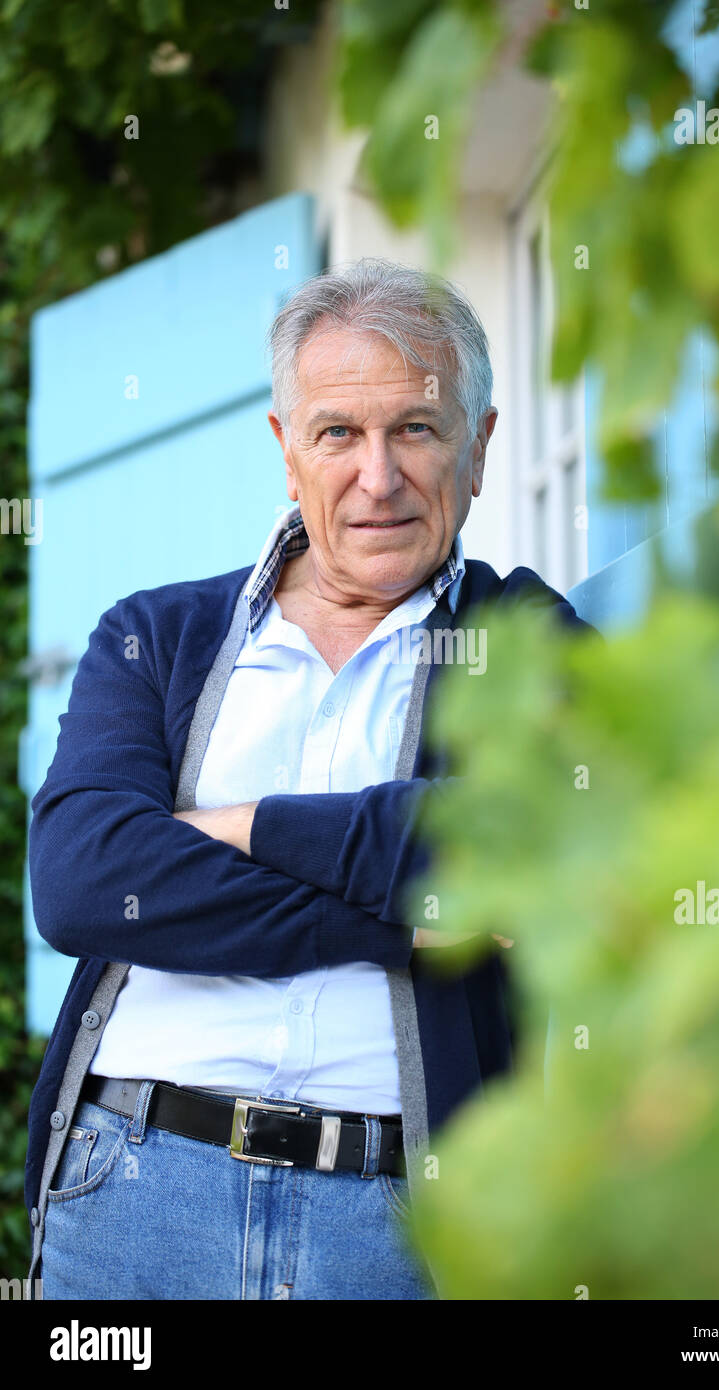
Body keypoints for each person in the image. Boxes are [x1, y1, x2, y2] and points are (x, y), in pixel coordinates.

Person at [25, 257, 592, 1300]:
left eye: (415, 429)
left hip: (396, 1225)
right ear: (288, 452)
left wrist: (227, 826)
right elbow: (81, 880)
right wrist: (391, 921)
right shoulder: (159, 635)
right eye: (338, 433)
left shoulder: (527, 642)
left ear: (479, 444)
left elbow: (507, 854)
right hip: (134, 1195)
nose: (376, 477)